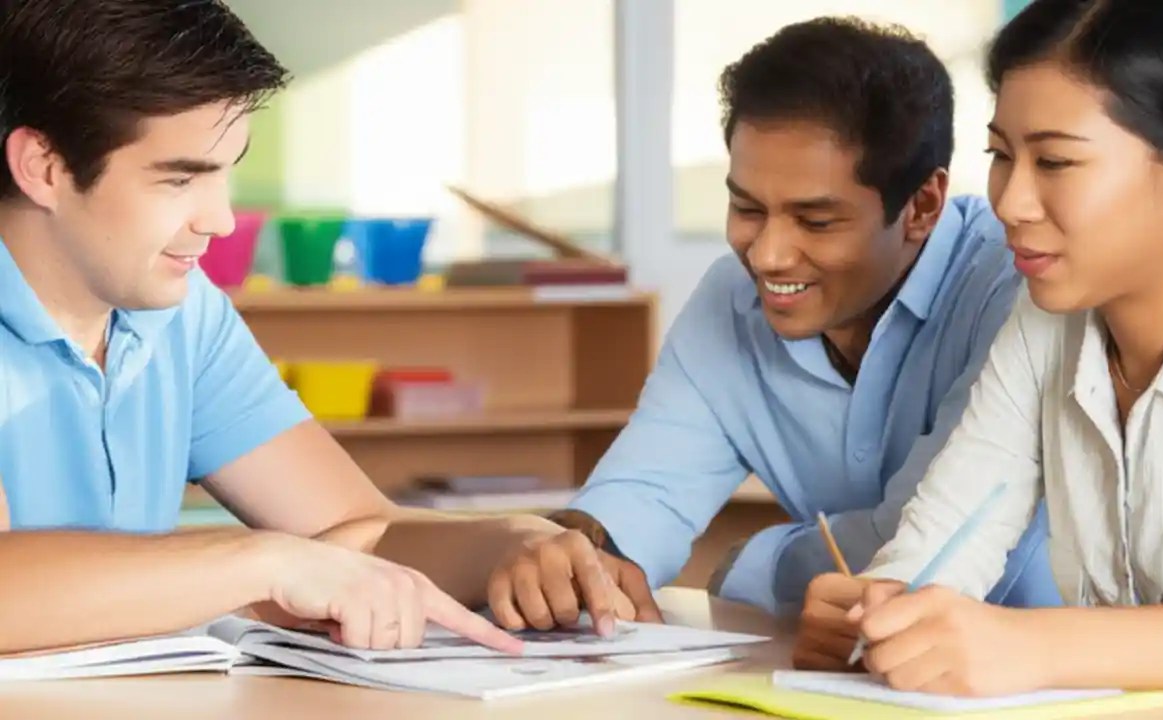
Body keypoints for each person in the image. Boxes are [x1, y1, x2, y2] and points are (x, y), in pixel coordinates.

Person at [0, 0, 556, 654]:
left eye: (226, 173)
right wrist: (263, 561)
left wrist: (513, 545)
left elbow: (356, 532)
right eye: (180, 179)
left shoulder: (181, 312)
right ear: (43, 166)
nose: (221, 220)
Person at [485, 16, 1061, 634]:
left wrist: (754, 567)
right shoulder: (728, 304)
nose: (766, 255)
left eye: (815, 221)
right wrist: (570, 553)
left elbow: (924, 543)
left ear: (922, 205)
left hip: (1057, 677)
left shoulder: (1017, 289)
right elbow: (636, 500)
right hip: (853, 677)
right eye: (746, 208)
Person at [793, 0, 1163, 698]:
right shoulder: (1046, 326)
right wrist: (883, 611)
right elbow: (946, 540)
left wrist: (1034, 644)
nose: (1011, 202)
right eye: (1000, 156)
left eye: (1054, 160)